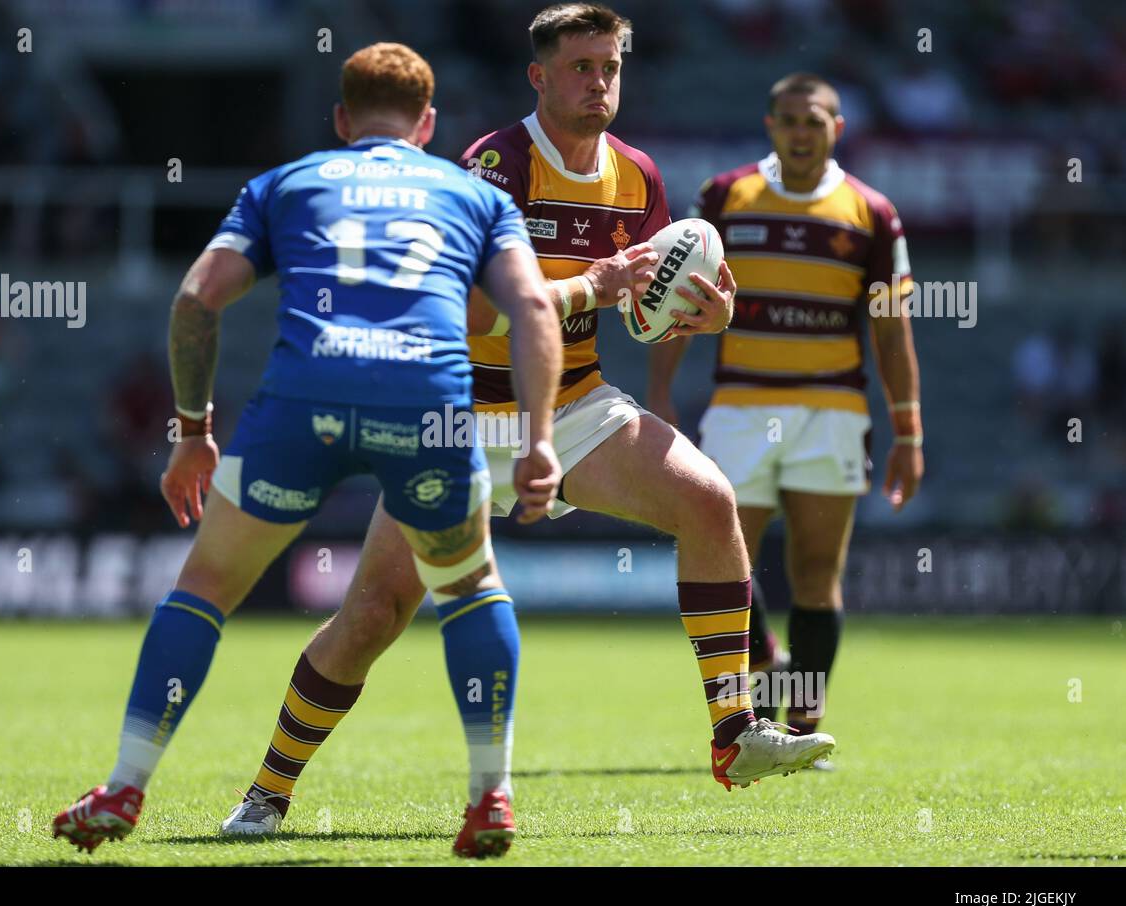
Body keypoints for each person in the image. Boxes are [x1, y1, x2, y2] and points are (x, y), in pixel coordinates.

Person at [223, 4, 836, 843]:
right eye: (581, 67)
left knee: (708, 501)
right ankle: (266, 792)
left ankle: (735, 734)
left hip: (573, 401)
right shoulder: (494, 167)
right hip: (459, 410)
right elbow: (475, 311)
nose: (599, 82)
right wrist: (601, 280)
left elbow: (651, 302)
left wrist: (708, 311)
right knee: (374, 614)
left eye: (610, 66)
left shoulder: (637, 176)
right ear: (539, 78)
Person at [52, 41, 564, 858]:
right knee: (469, 586)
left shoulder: (286, 183)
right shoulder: (471, 194)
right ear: (427, 124)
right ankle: (490, 798)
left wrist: (191, 433)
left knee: (207, 586)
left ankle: (125, 785)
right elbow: (535, 308)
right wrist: (539, 441)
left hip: (304, 401)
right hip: (424, 403)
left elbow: (196, 298)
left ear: (339, 120)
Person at [647, 72, 925, 753]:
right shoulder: (725, 196)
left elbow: (892, 329)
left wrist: (908, 429)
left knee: (816, 572)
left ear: (837, 129)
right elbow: (679, 302)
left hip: (832, 410)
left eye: (816, 121)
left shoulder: (872, 213)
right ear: (770, 125)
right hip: (741, 406)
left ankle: (801, 727)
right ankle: (765, 680)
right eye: (790, 120)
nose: (803, 132)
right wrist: (660, 395)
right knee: (725, 554)